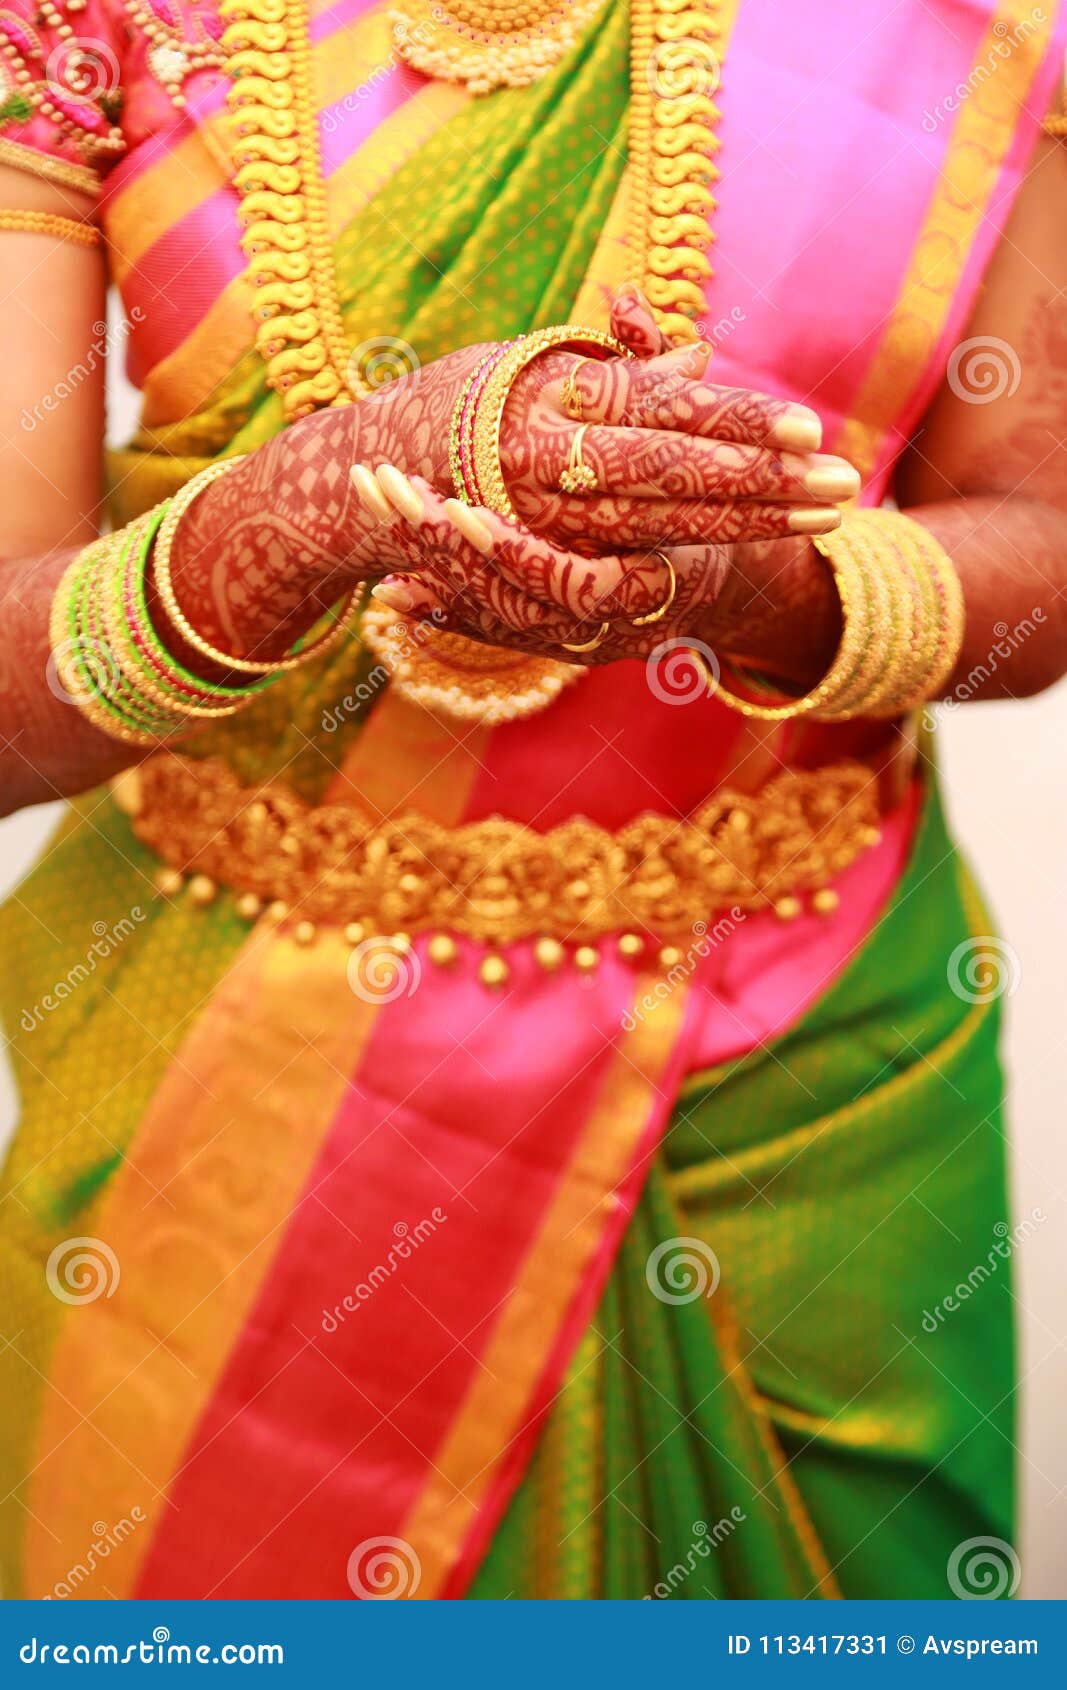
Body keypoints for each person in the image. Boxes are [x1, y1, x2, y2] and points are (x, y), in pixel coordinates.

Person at [0, 0, 1065, 1600]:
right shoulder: (74, 26)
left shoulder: (965, 22)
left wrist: (747, 580)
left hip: (793, 1092)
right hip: (218, 1131)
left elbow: (1037, 551)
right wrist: (284, 525)